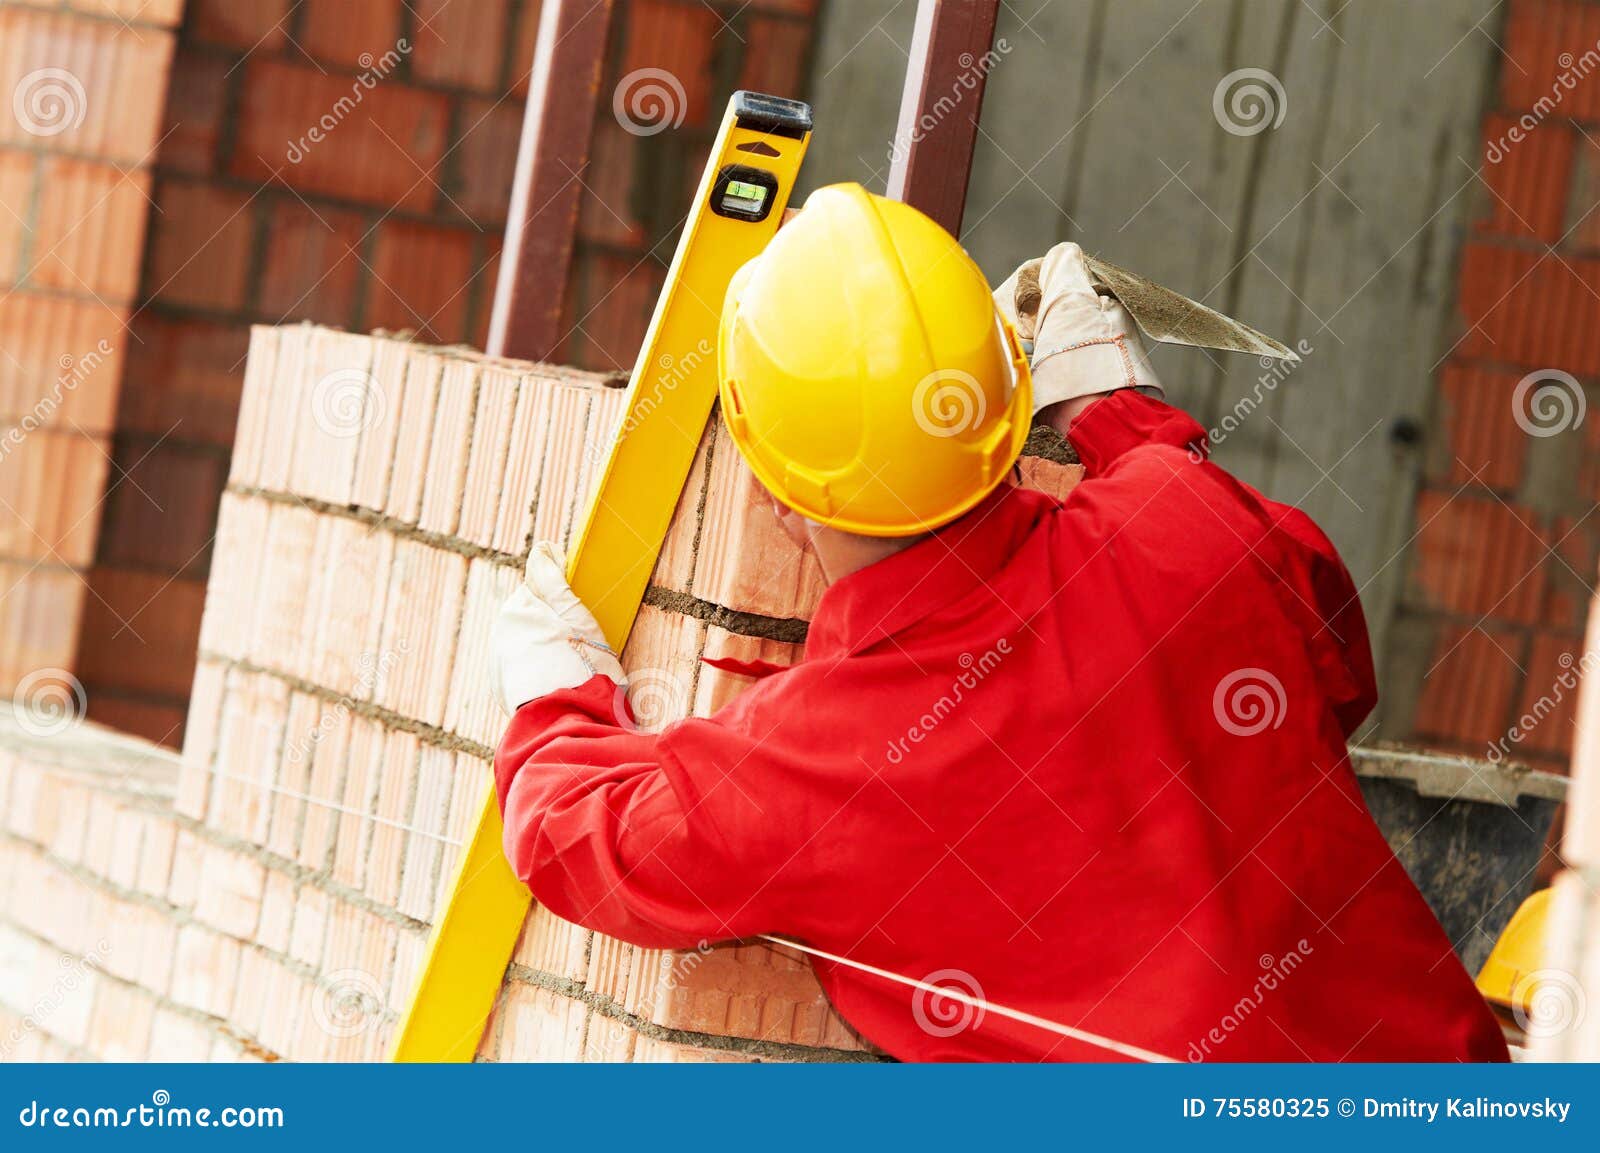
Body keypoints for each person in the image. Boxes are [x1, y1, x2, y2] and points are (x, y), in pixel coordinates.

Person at [490, 182, 1508, 1062]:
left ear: (776, 488)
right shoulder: (1185, 526)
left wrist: (555, 693)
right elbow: (1330, 660)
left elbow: (594, 841)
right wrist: (1120, 415)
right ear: (1007, 401)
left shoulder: (826, 758)